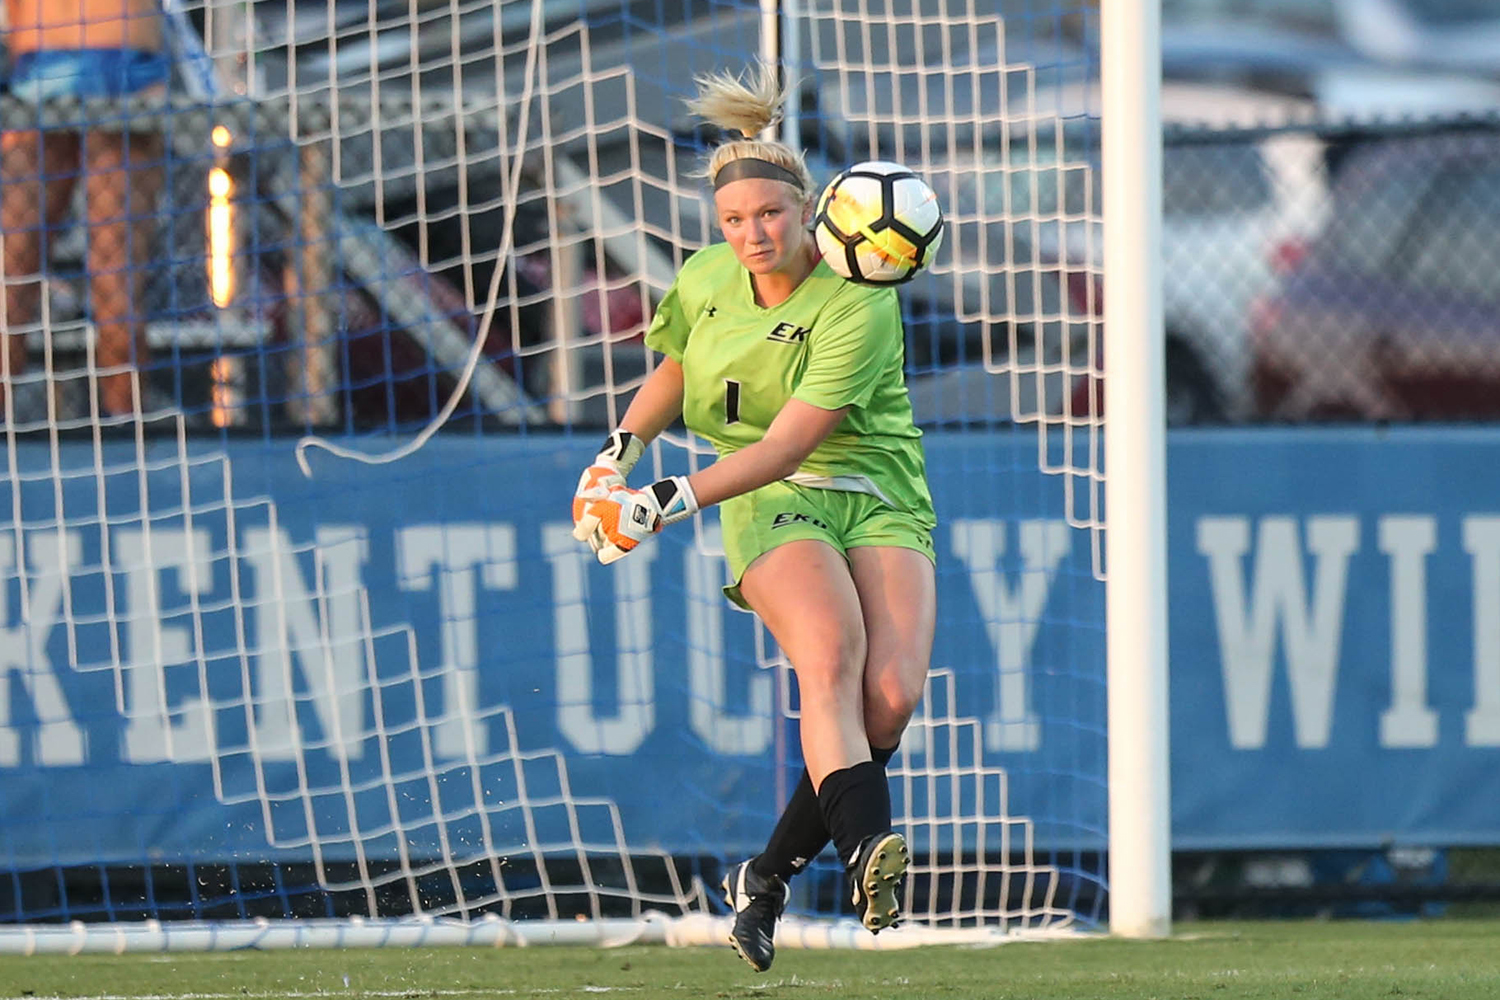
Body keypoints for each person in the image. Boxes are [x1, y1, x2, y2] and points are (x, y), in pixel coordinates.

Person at [571, 63, 937, 972]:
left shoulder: (861, 300)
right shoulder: (704, 279)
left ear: (809, 211)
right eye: (734, 221)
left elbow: (788, 441)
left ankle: (765, 879)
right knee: (831, 660)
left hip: (875, 488)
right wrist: (617, 454)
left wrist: (665, 501)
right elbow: (679, 372)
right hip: (771, 500)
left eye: (769, 215)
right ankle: (869, 856)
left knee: (889, 702)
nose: (752, 234)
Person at [1, 0, 168, 417]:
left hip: (63, 49)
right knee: (110, 273)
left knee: (18, 271)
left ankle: (128, 435)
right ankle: (131, 439)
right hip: (107, 47)